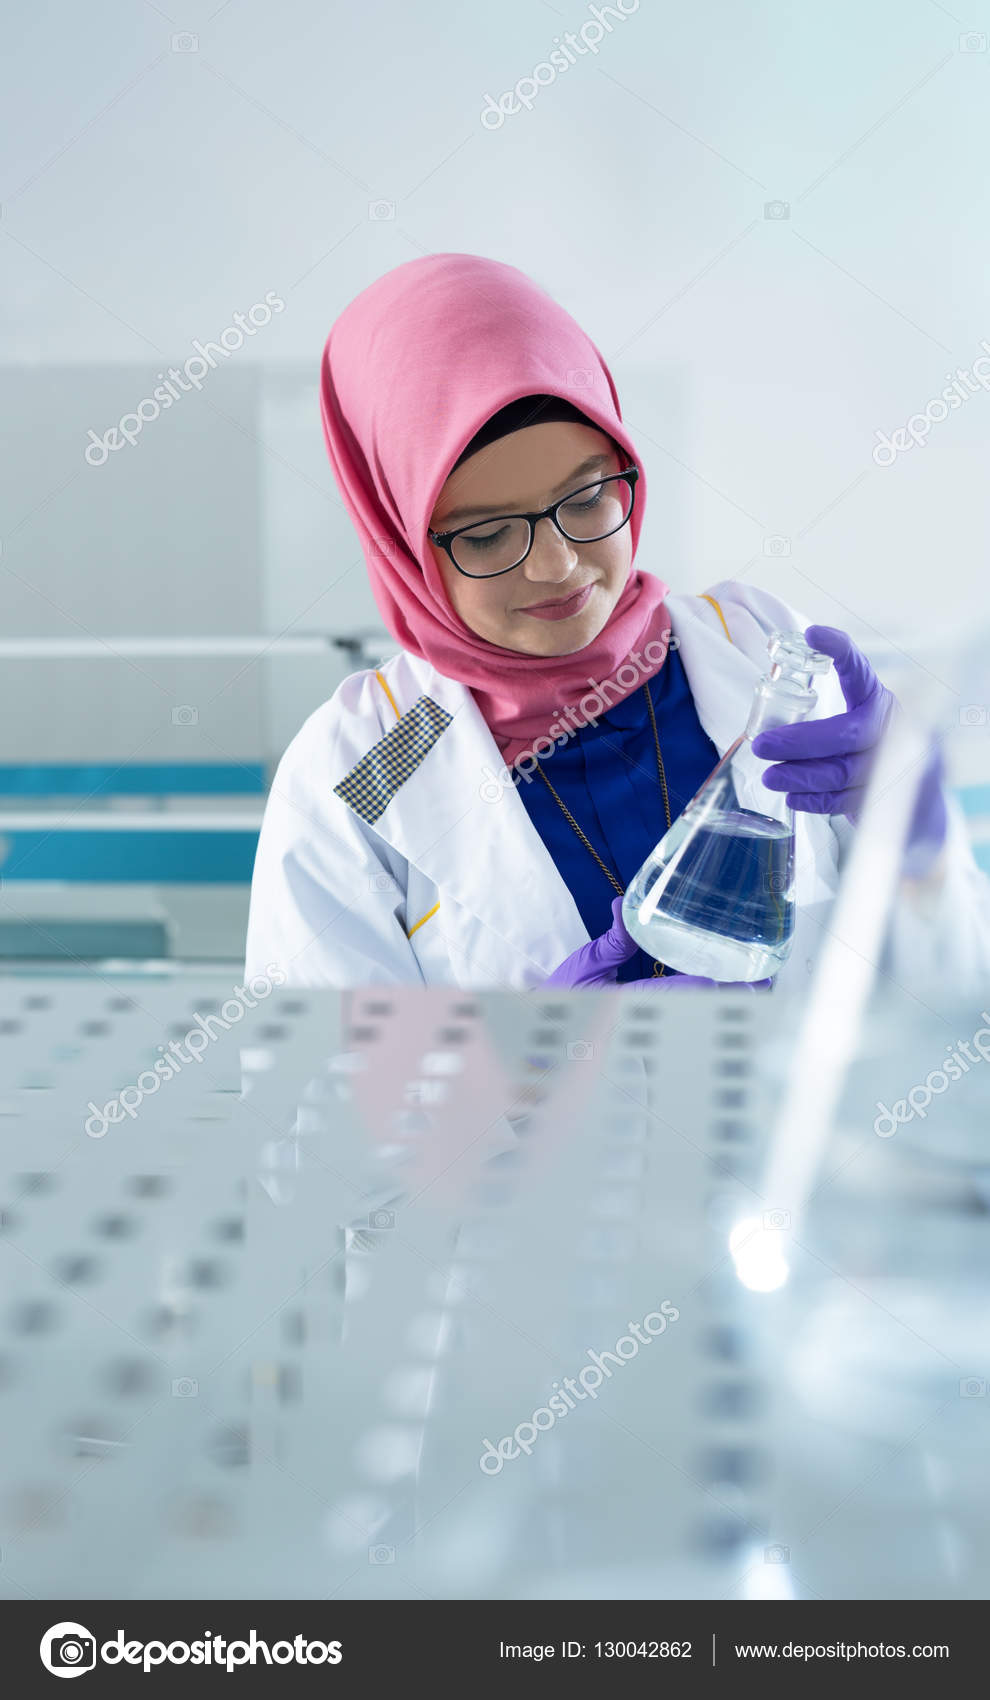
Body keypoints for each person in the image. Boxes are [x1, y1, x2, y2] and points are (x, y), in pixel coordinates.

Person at [245, 253, 990, 994]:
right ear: (399, 541)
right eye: (486, 535)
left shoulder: (760, 646)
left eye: (589, 496)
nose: (559, 565)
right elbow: (321, 1093)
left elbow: (942, 1009)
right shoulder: (369, 762)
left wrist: (922, 848)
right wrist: (524, 1080)